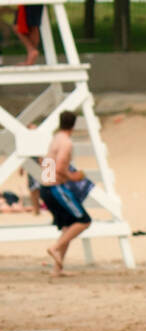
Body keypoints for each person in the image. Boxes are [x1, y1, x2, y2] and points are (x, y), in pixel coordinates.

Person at [39, 111, 91, 277]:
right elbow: (60, 167)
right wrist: (74, 177)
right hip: (56, 189)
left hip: (46, 188)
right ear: (74, 125)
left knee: (68, 226)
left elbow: (45, 162)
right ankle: (55, 248)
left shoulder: (55, 138)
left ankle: (57, 269)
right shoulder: (66, 142)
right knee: (83, 220)